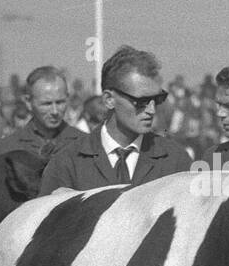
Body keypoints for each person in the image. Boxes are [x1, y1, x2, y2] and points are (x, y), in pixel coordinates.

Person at [38, 46, 191, 194]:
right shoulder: (67, 164)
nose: (151, 110)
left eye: (157, 99)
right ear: (109, 99)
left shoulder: (175, 161)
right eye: (141, 101)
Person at [0, 66, 83, 163]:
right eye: (47, 104)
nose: (55, 111)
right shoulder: (7, 149)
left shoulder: (84, 145)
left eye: (60, 102)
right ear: (28, 102)